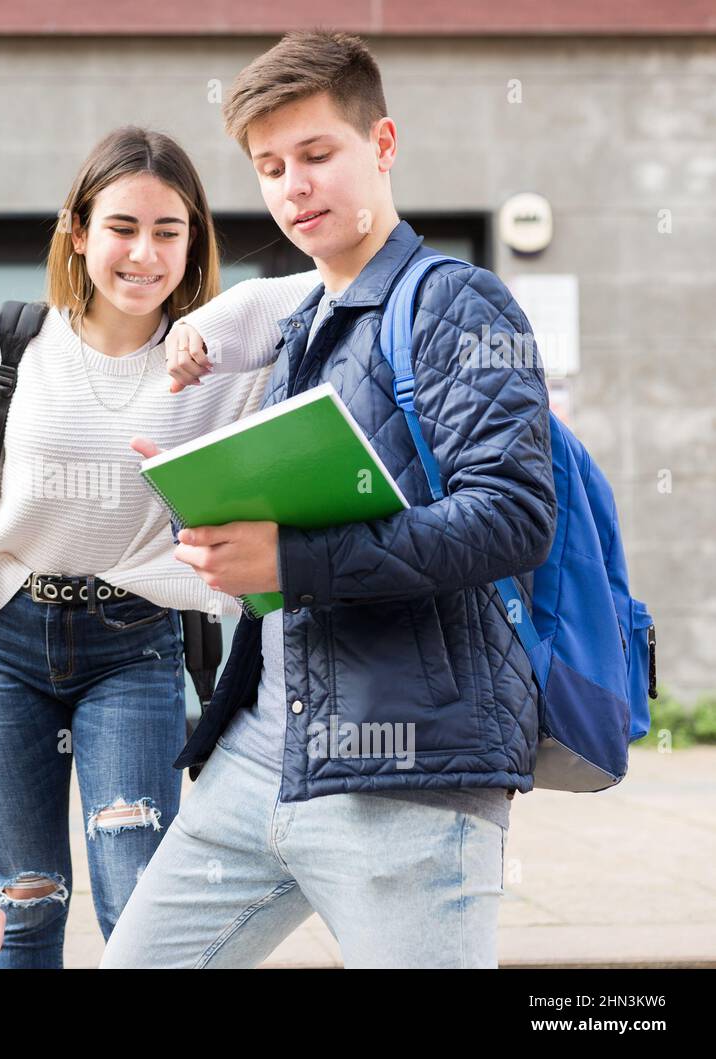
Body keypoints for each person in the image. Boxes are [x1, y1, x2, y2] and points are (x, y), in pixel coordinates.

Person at [102, 30, 555, 968]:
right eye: (270, 167)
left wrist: (295, 560)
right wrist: (214, 520)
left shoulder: (459, 305)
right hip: (257, 764)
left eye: (317, 155)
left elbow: (513, 515)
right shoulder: (302, 321)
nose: (292, 187)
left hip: (409, 782)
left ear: (382, 145)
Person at [0, 126, 318, 968]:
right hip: (5, 640)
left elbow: (339, 279)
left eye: (171, 231)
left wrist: (216, 315)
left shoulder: (221, 362)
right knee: (26, 901)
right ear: (80, 232)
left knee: (139, 906)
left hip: (133, 647)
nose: (144, 253)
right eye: (122, 228)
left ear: (195, 241)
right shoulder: (21, 340)